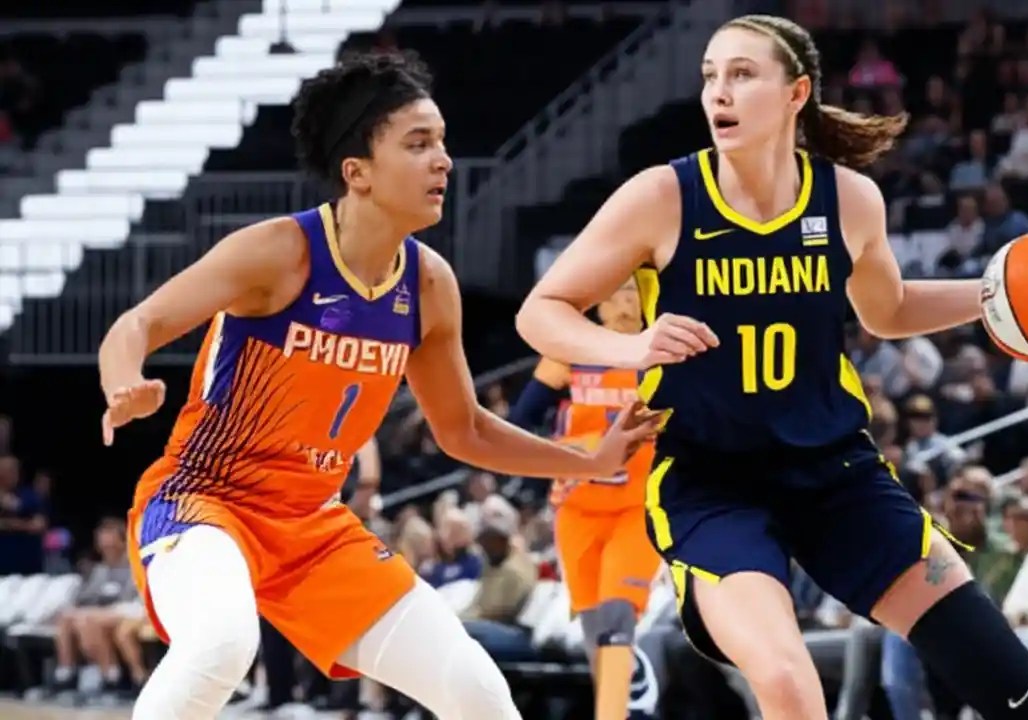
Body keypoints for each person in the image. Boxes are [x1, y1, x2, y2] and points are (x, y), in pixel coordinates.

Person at [516, 14, 1028, 720]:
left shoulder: (849, 199)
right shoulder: (662, 197)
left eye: (741, 74)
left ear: (796, 93)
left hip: (837, 473)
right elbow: (541, 310)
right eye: (710, 75)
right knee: (791, 687)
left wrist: (998, 297)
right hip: (711, 485)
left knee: (1016, 689)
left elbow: (885, 309)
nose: (718, 93)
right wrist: (632, 346)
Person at [96, 50, 660, 720]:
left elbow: (466, 430)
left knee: (478, 693)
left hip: (312, 524)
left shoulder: (428, 284)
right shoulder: (280, 253)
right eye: (418, 145)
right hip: (204, 501)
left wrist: (588, 461)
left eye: (443, 143)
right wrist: (123, 381)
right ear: (357, 172)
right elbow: (138, 323)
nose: (443, 161)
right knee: (222, 642)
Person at [509, 277, 662, 720]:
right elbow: (521, 420)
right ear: (596, 304)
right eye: (613, 292)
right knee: (598, 631)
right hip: (577, 508)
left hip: (636, 507)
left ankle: (619, 709)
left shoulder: (660, 357)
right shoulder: (570, 354)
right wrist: (567, 453)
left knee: (617, 618)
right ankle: (630, 705)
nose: (622, 301)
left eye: (633, 291)